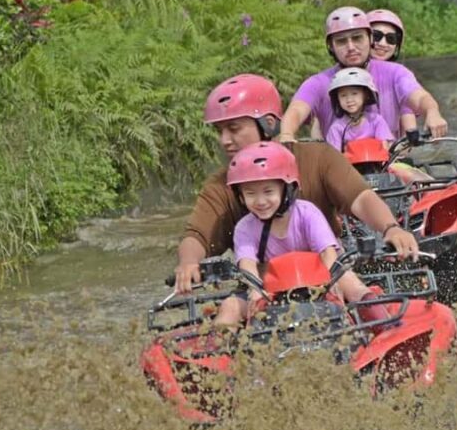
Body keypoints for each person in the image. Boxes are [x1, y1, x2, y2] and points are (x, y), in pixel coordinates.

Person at [175, 74, 421, 303]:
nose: (224, 140)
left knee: (356, 289)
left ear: (269, 123)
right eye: (220, 131)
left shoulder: (318, 157)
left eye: (234, 128)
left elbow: (361, 197)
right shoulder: (220, 186)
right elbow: (197, 235)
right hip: (262, 289)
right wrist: (188, 263)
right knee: (229, 307)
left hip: (328, 274)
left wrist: (391, 228)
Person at [221, 142, 387, 324]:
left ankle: (384, 325)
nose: (260, 201)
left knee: (352, 284)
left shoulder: (307, 212)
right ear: (241, 196)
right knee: (230, 307)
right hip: (271, 287)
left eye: (268, 191)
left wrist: (331, 284)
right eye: (250, 194)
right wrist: (255, 290)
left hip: (322, 277)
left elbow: (328, 253)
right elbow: (247, 265)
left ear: (287, 188)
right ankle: (219, 349)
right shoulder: (244, 227)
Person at [278, 6, 448, 143]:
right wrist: (286, 134)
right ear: (331, 47)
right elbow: (297, 110)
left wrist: (432, 111)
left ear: (369, 39)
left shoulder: (396, 73)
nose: (351, 47)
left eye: (357, 38)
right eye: (341, 41)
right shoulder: (317, 82)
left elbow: (419, 97)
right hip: (339, 168)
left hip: (389, 164)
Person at [367, 8, 419, 136]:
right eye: (376, 36)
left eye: (391, 39)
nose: (383, 44)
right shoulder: (342, 74)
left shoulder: (400, 77)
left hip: (389, 151)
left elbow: (409, 122)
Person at [325, 67, 393, 152]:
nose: (349, 100)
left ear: (366, 95)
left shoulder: (376, 121)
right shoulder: (336, 128)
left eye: (354, 93)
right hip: (348, 165)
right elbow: (334, 157)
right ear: (337, 99)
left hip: (377, 164)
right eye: (343, 95)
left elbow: (386, 147)